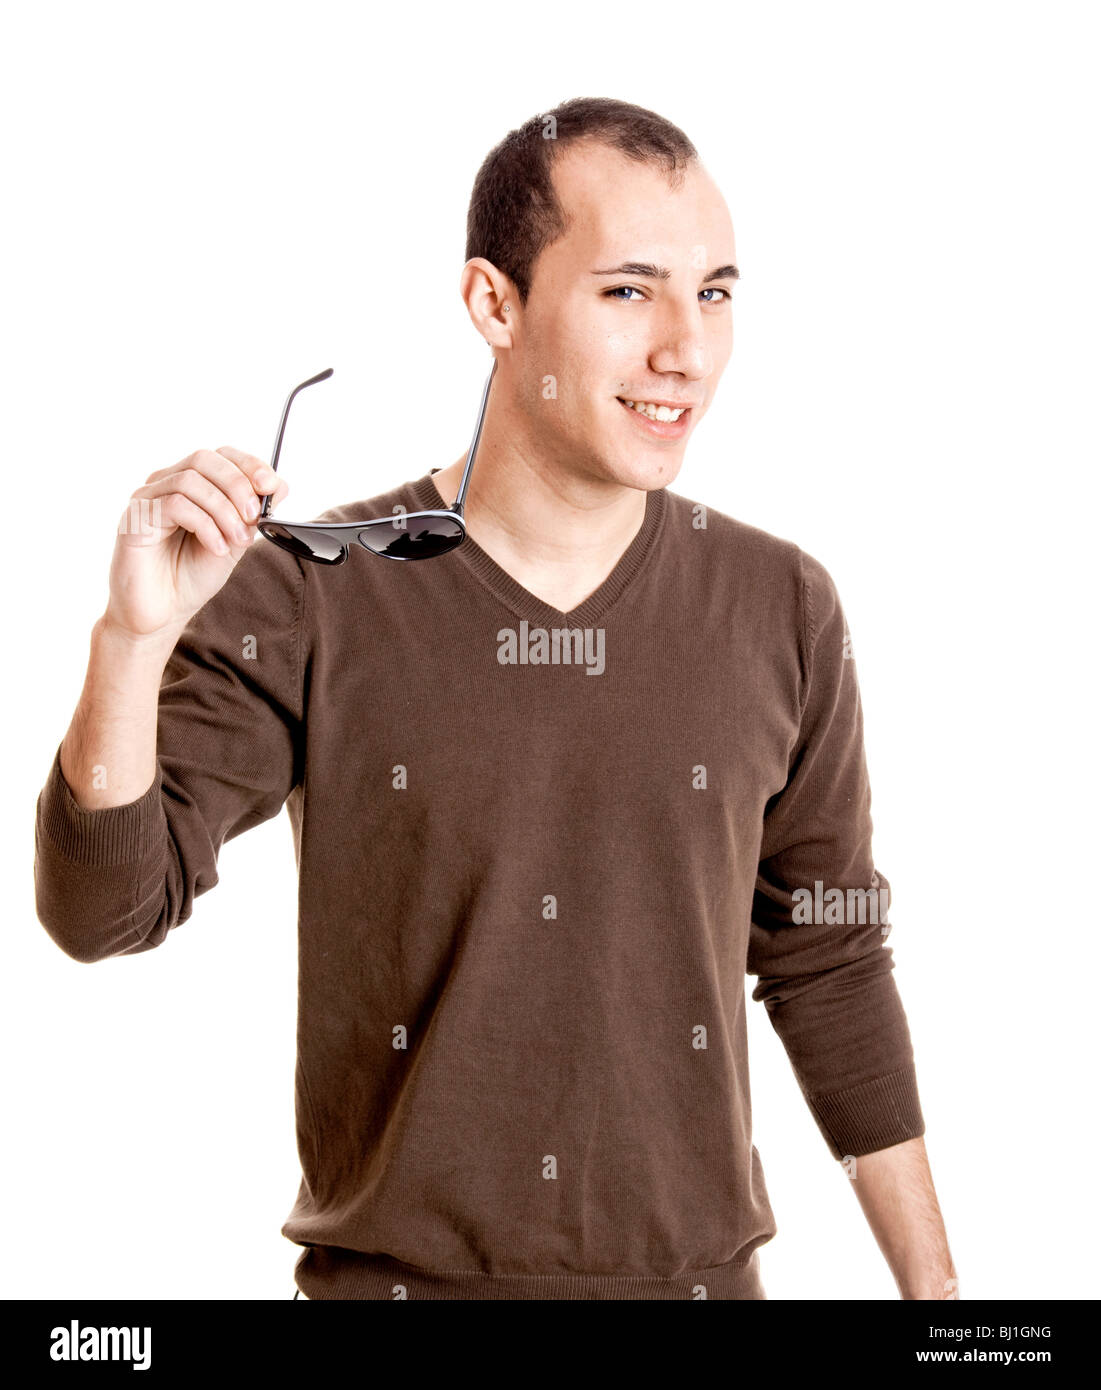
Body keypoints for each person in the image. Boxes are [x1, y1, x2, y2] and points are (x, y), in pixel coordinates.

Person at [33, 96, 956, 1300]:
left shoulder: (781, 604)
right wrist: (131, 642)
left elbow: (827, 961)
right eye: (630, 291)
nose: (687, 346)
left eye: (716, 291)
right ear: (494, 304)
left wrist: (944, 1308)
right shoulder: (319, 591)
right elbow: (102, 910)